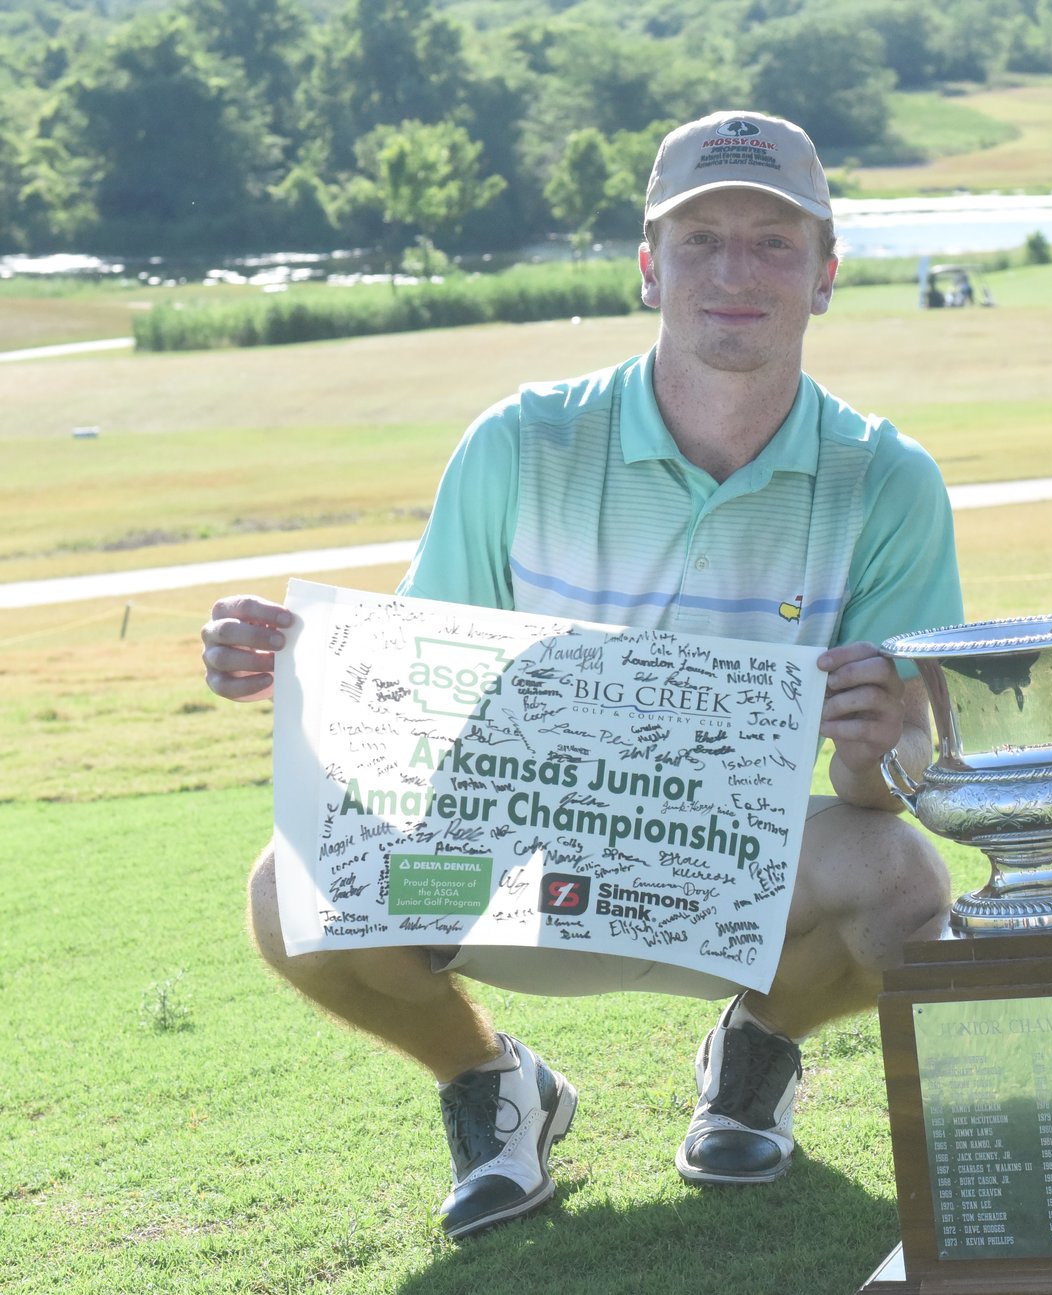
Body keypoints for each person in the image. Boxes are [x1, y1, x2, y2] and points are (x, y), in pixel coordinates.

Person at [201, 110, 964, 1242]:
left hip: (736, 873)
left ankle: (757, 1048)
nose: (734, 271)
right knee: (289, 885)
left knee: (907, 881)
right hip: (520, 871)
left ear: (826, 274)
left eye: (773, 241)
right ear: (649, 268)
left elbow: (909, 764)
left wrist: (874, 753)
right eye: (700, 239)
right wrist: (294, 662)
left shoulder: (888, 479)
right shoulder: (520, 441)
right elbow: (418, 696)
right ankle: (490, 1082)